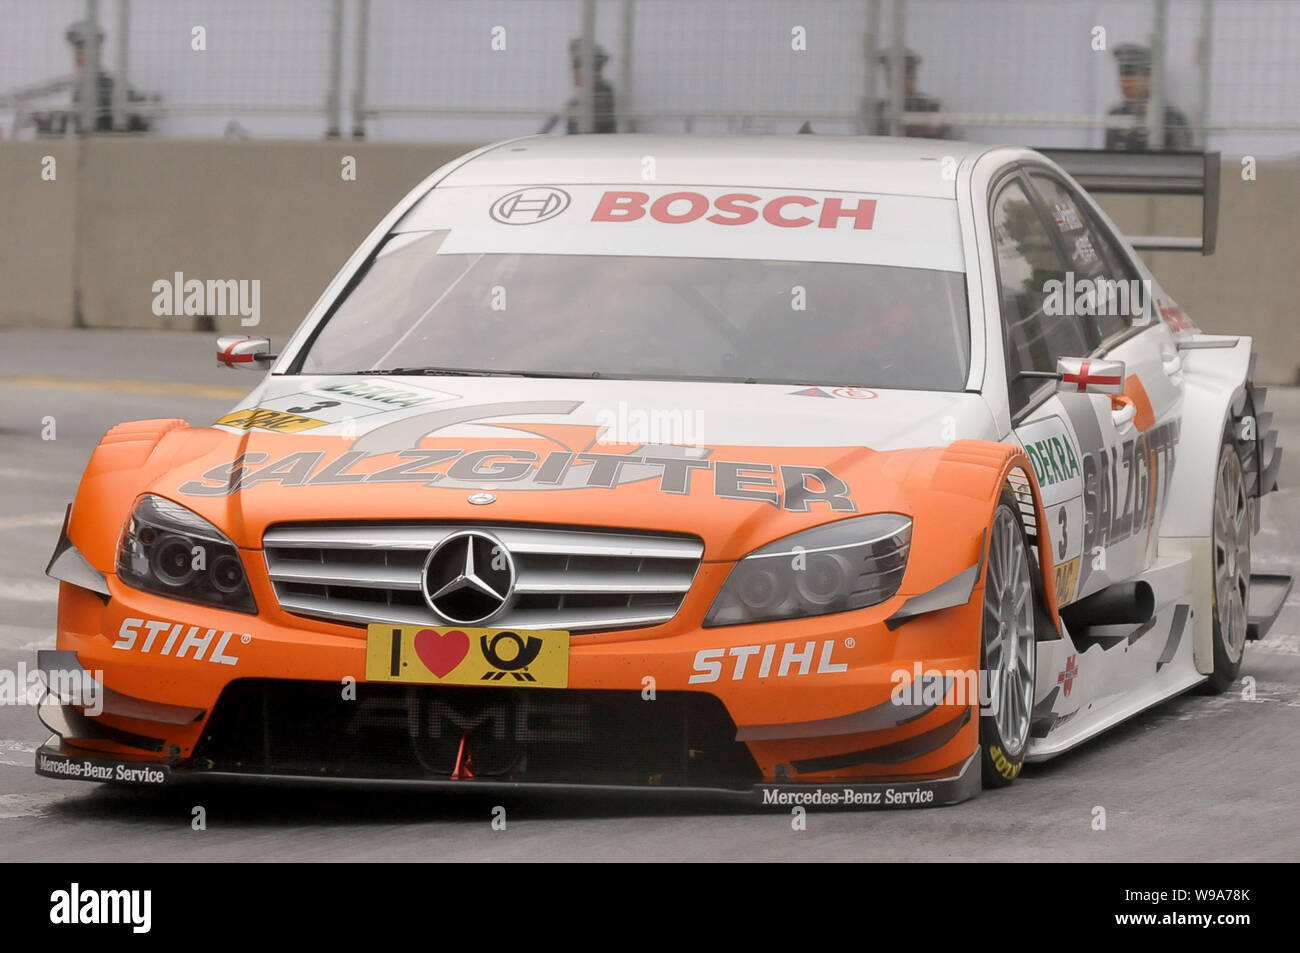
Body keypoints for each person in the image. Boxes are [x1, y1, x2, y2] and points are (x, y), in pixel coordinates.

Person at [64, 19, 152, 133]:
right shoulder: (80, 86)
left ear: (99, 53)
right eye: (77, 51)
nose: (78, 57)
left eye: (82, 51)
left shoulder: (110, 86)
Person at [1104, 43, 1192, 151]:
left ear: (1147, 79)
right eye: (1123, 81)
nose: (1126, 85)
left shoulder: (1171, 117)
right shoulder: (1115, 114)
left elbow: (1183, 160)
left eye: (1132, 81)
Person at [865, 48, 952, 139]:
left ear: (913, 75)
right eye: (889, 71)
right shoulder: (877, 109)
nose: (894, 78)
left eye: (905, 71)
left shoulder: (931, 108)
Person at [564, 38, 616, 134]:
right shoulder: (575, 103)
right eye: (575, 65)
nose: (574, 72)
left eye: (577, 66)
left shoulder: (606, 101)